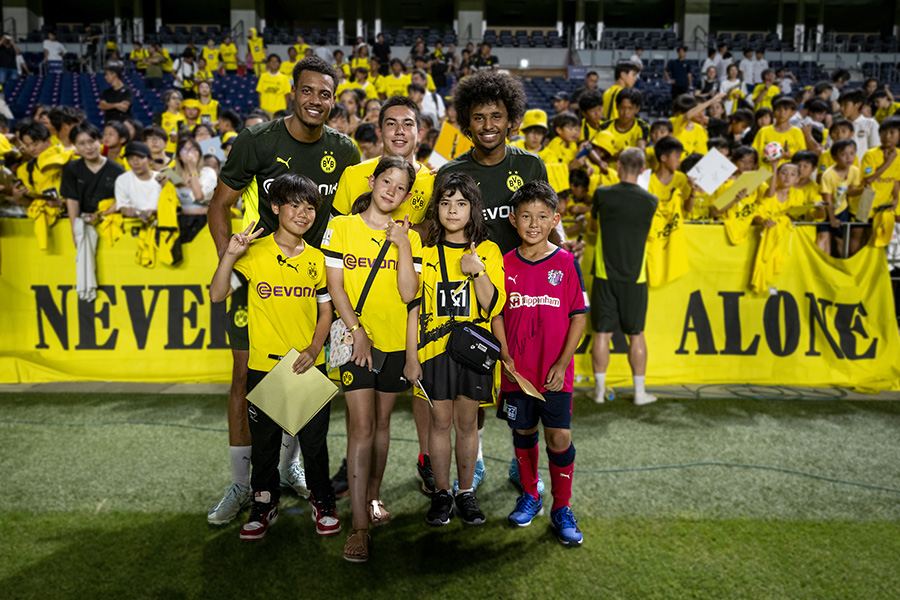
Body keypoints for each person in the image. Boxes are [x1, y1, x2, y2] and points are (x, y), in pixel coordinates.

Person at [207, 56, 359, 526]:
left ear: (335, 99)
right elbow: (220, 206)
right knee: (244, 378)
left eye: (325, 93)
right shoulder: (257, 140)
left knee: (308, 377)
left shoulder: (346, 150)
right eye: (308, 91)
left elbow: (354, 221)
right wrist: (233, 266)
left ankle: (286, 470)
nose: (316, 101)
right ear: (292, 93)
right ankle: (244, 481)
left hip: (318, 287)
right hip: (262, 277)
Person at [439, 69, 562, 494]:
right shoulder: (453, 171)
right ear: (465, 122)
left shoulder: (529, 164)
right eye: (479, 117)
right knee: (470, 388)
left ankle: (520, 460)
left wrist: (560, 258)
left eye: (496, 116)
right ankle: (471, 464)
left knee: (519, 386)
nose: (488, 126)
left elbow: (544, 217)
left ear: (511, 119)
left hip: (523, 298)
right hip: (469, 297)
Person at [209, 174, 340, 541]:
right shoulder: (254, 251)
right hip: (264, 367)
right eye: (294, 205)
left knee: (315, 445)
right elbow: (218, 294)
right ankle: (263, 504)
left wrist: (315, 349)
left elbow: (325, 312)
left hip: (306, 366)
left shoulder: (316, 259)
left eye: (310, 206)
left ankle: (323, 501)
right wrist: (230, 254)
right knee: (264, 447)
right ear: (275, 208)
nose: (303, 213)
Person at [321, 156, 421, 562]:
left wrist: (400, 245)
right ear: (372, 180)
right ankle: (359, 527)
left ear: (406, 196)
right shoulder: (341, 226)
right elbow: (335, 287)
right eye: (386, 182)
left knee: (382, 425)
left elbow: (408, 293)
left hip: (395, 343)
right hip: (355, 341)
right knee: (361, 428)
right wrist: (358, 332)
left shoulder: (406, 235)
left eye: (399, 188)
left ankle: (374, 497)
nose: (390, 191)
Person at [404, 171, 505, 526]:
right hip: (433, 355)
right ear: (437, 209)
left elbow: (493, 306)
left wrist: (477, 271)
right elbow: (413, 306)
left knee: (466, 425)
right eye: (445, 203)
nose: (452, 210)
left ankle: (466, 492)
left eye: (460, 203)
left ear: (472, 209)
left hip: (472, 355)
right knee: (439, 423)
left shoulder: (488, 251)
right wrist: (412, 357)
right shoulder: (426, 252)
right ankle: (442, 492)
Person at [493, 180, 587, 545]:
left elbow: (578, 316)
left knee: (559, 436)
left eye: (542, 216)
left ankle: (562, 507)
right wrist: (504, 352)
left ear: (555, 220)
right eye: (526, 216)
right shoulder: (504, 264)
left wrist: (563, 364)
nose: (533, 223)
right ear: (513, 220)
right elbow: (498, 313)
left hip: (554, 374)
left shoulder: (565, 263)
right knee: (523, 433)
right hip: (517, 373)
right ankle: (530, 495)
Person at [590, 147, 658, 406]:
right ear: (642, 170)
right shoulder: (651, 200)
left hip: (604, 275)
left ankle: (599, 392)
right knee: (637, 334)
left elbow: (594, 225)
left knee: (602, 333)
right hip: (635, 278)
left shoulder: (602, 194)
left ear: (618, 166)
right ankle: (640, 394)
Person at [61, 123, 124, 245]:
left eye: (91, 141)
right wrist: (75, 230)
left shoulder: (117, 170)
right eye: (82, 144)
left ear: (100, 141)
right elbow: (72, 200)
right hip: (83, 223)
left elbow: (122, 199)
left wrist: (101, 215)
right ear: (75, 146)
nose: (88, 147)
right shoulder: (71, 168)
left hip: (107, 223)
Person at [858, 116, 900, 255]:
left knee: (886, 239)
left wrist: (896, 199)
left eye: (892, 133)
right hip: (867, 201)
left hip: (887, 203)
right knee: (863, 239)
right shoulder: (870, 154)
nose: (887, 136)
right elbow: (868, 179)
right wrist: (888, 162)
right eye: (883, 133)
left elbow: (895, 180)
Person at [820, 139, 863, 257]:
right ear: (834, 157)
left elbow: (851, 192)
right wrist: (832, 218)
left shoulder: (855, 171)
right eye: (843, 154)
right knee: (837, 240)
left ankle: (846, 265)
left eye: (852, 153)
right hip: (831, 210)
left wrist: (862, 191)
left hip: (844, 208)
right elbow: (827, 200)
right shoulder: (828, 175)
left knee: (843, 239)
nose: (848, 157)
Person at [752, 96, 807, 171]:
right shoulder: (763, 131)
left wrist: (790, 156)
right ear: (773, 113)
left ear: (793, 113)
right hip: (764, 174)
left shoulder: (797, 132)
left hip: (786, 177)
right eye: (778, 110)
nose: (782, 113)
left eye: (786, 110)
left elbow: (802, 157)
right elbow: (754, 153)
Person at [115, 141, 162, 219]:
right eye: (130, 158)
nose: (135, 162)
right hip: (134, 224)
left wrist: (153, 212)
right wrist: (127, 211)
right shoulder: (122, 180)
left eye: (140, 157)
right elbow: (122, 206)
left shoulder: (162, 178)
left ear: (150, 160)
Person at [839, 89, 880, 160]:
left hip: (864, 168)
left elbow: (875, 149)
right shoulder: (838, 125)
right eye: (840, 105)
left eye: (845, 105)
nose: (841, 108)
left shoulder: (870, 124)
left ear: (858, 104)